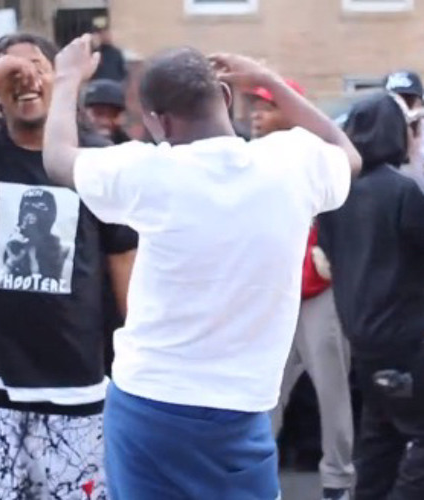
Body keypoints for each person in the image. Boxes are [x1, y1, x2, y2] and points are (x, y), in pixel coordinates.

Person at [43, 35, 361, 500]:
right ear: (227, 97)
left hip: (147, 402)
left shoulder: (146, 171)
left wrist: (67, 79)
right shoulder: (293, 163)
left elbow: (58, 160)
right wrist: (269, 80)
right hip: (240, 410)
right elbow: (347, 152)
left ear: (158, 121)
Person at [0, 32, 137, 499]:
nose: (25, 78)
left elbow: (123, 258)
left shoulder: (97, 159)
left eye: (38, 66)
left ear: (61, 78)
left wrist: (135, 357)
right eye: (10, 70)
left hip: (76, 391)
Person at [249, 81, 355, 500]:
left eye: (267, 106)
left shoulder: (315, 155)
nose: (255, 114)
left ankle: (338, 480)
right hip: (273, 290)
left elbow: (346, 206)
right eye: (253, 106)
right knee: (264, 391)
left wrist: (330, 251)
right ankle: (254, 471)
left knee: (332, 389)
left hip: (316, 289)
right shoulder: (246, 156)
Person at [319, 92, 424, 500]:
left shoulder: (337, 195)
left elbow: (330, 255)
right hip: (407, 339)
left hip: (363, 336)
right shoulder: (403, 192)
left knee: (380, 439)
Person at [82, 79, 130, 144]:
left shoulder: (130, 145)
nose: (105, 122)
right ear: (83, 113)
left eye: (113, 114)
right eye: (98, 113)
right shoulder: (71, 141)